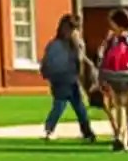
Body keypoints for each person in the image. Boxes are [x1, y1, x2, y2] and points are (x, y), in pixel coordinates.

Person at [39, 14, 97, 142]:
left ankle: (51, 130)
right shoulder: (72, 44)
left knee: (66, 105)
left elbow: (47, 62)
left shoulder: (55, 44)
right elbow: (80, 62)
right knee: (72, 106)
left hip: (61, 79)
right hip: (67, 78)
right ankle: (86, 132)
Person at [95, 8, 128, 152]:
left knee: (119, 108)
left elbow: (102, 57)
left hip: (115, 76)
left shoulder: (112, 39)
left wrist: (101, 78)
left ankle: (120, 138)